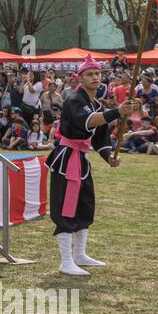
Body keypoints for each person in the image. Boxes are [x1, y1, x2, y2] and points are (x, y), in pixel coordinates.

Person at [45, 56, 135, 275]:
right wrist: (117, 111)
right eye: (90, 74)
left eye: (97, 73)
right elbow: (89, 121)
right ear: (80, 78)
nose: (95, 77)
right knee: (66, 207)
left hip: (82, 159)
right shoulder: (74, 100)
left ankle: (80, 255)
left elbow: (100, 138)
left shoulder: (95, 104)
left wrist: (108, 156)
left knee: (85, 204)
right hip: (67, 159)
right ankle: (66, 261)